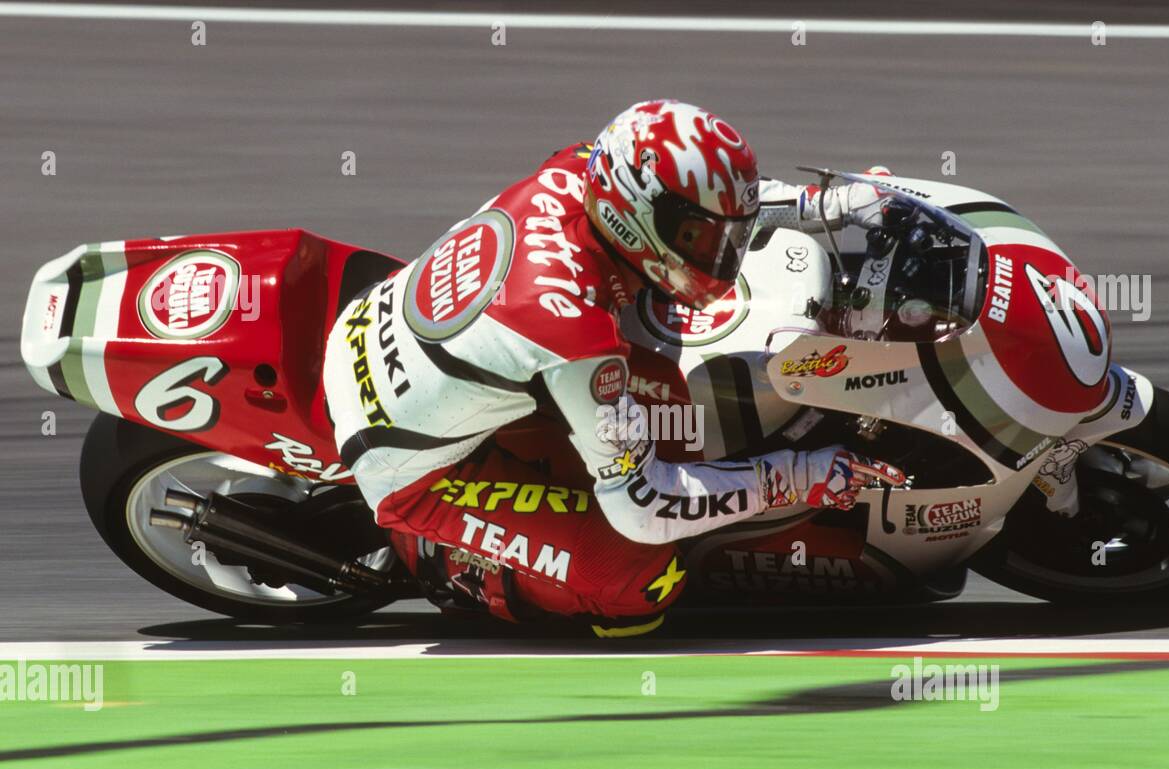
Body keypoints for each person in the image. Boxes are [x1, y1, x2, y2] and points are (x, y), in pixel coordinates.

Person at [322, 99, 898, 634]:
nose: (720, 256)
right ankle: (439, 557)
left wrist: (819, 206)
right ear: (635, 218)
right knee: (641, 581)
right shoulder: (573, 330)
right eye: (697, 238)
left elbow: (705, 200)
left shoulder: (584, 168)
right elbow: (644, 507)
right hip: (412, 469)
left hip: (390, 336)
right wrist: (798, 476)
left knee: (657, 399)